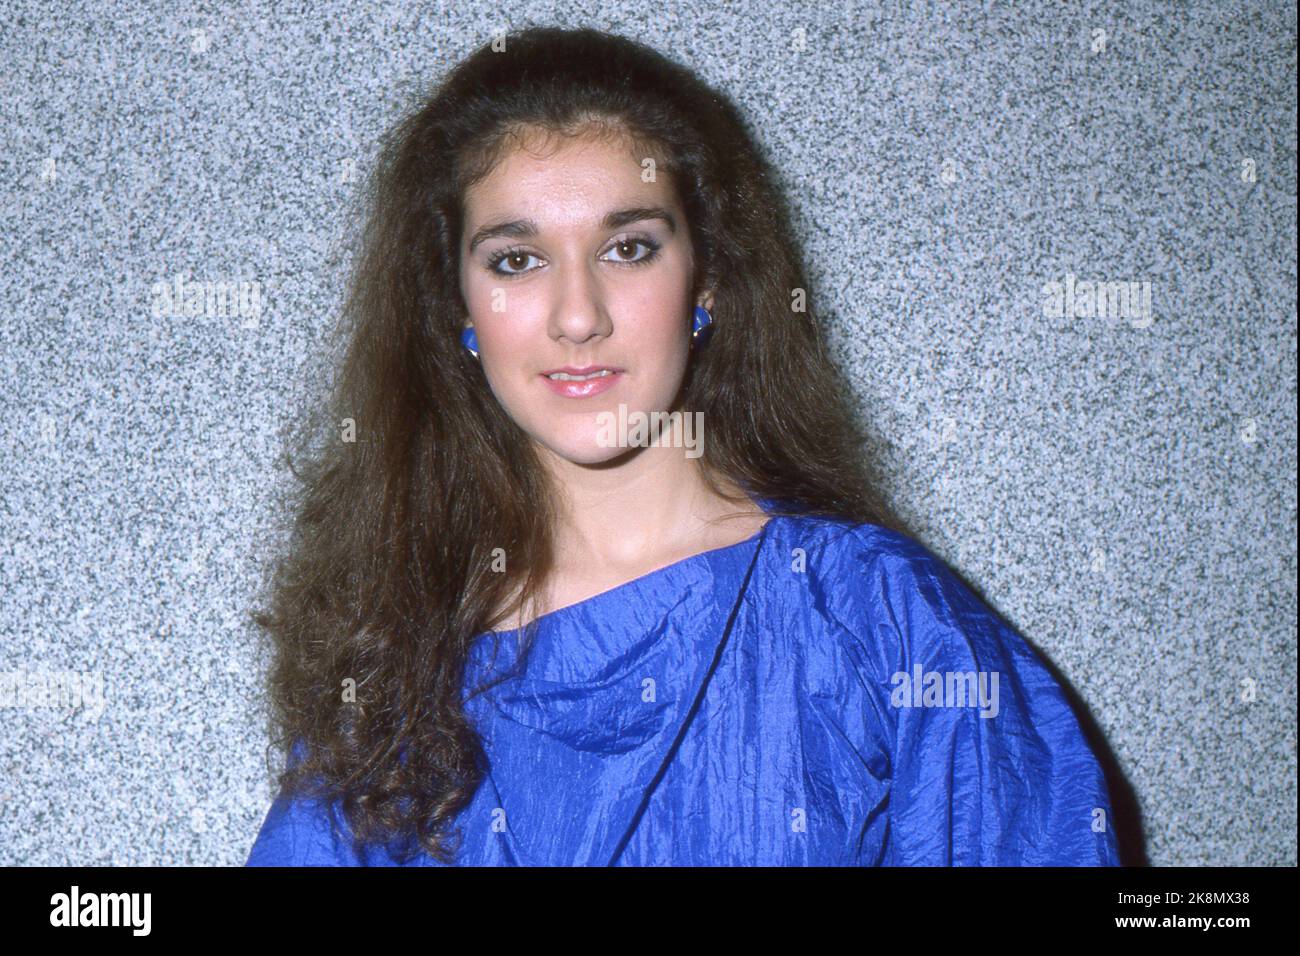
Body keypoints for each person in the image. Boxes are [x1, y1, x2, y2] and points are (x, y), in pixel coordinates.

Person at [244, 26, 1120, 866]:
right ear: (457, 311)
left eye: (629, 248)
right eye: (516, 260)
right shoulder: (397, 657)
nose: (578, 315)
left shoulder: (876, 622)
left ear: (705, 282)